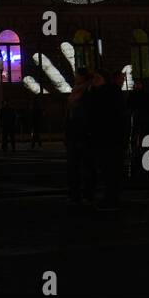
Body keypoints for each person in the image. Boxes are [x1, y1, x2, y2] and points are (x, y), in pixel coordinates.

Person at [86, 69, 128, 210]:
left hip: (110, 138)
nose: (94, 80)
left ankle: (111, 198)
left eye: (98, 78)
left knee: (110, 170)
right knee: (107, 170)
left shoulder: (108, 93)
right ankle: (110, 197)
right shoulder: (100, 93)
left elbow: (115, 116)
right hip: (106, 138)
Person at [64, 69, 92, 205]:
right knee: (73, 167)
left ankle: (86, 194)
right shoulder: (76, 90)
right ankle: (75, 193)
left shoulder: (87, 91)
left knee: (85, 166)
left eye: (77, 75)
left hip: (81, 133)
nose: (75, 77)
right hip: (73, 133)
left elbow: (84, 114)